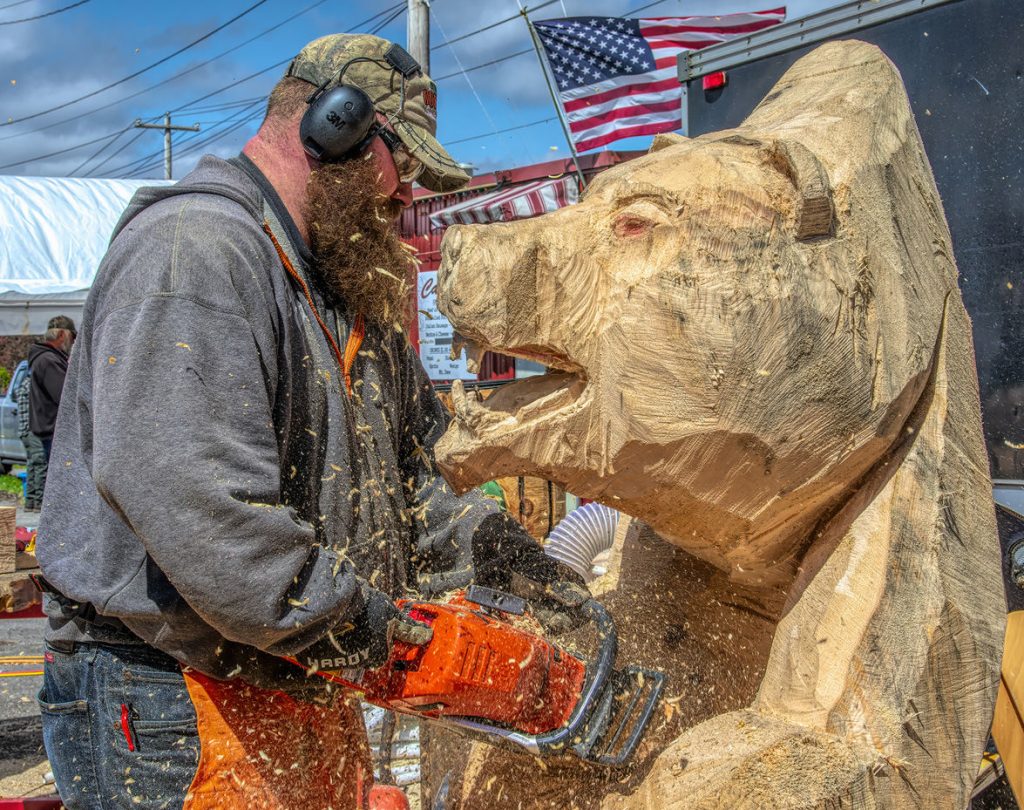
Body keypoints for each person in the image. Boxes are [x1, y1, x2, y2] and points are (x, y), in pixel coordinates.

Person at [35, 33, 589, 809]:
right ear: (336, 126)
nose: (409, 196)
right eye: (405, 167)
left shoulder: (342, 288)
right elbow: (200, 507)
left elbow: (407, 487)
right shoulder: (196, 252)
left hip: (298, 670)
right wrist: (385, 634)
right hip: (170, 693)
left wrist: (505, 559)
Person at [27, 315, 74, 463]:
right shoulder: (48, 360)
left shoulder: (44, 358)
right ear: (61, 334)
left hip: (50, 431)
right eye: (72, 336)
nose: (73, 342)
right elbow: (65, 397)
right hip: (54, 432)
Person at [14, 369, 45, 511]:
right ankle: (39, 502)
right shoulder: (32, 385)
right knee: (40, 465)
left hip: (23, 431)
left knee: (32, 465)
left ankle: (30, 502)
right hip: (31, 431)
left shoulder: (24, 384)